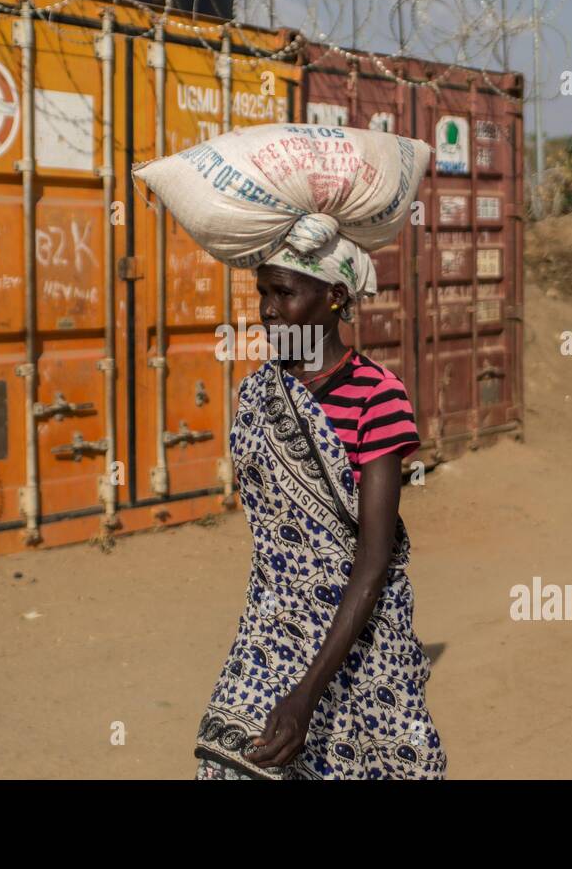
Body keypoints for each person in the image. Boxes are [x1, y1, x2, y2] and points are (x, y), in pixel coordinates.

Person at [193, 233, 447, 780]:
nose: (266, 309)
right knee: (229, 764)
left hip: (359, 638)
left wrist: (306, 694)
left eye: (283, 292)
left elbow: (373, 558)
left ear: (334, 296)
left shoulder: (378, 396)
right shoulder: (259, 393)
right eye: (262, 292)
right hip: (271, 630)